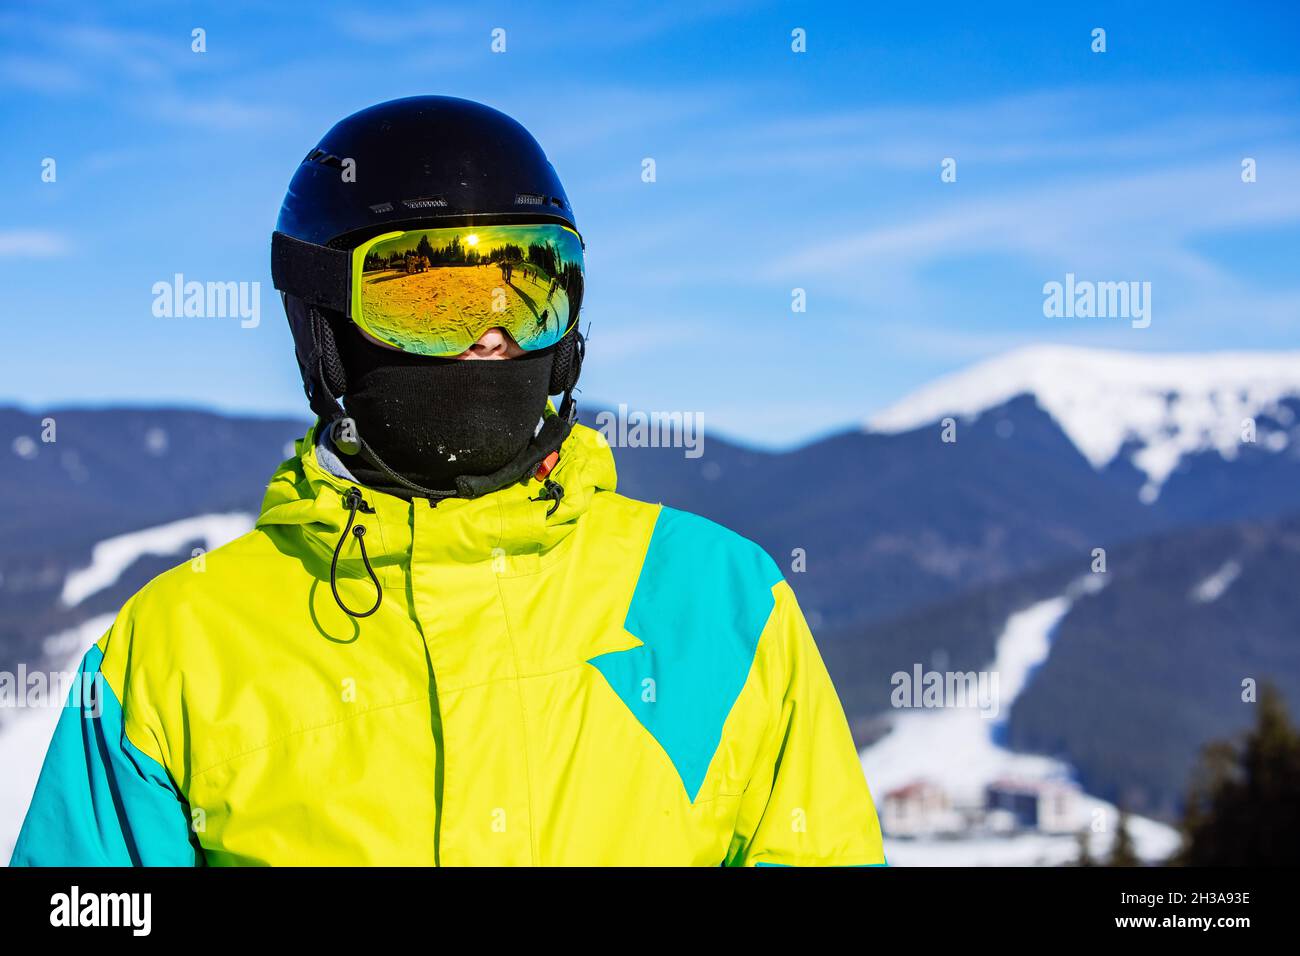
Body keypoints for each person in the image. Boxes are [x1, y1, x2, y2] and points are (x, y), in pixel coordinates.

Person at [11, 96, 885, 866]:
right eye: (432, 300)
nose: (490, 340)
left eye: (526, 289)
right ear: (327, 331)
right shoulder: (178, 648)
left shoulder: (721, 602)